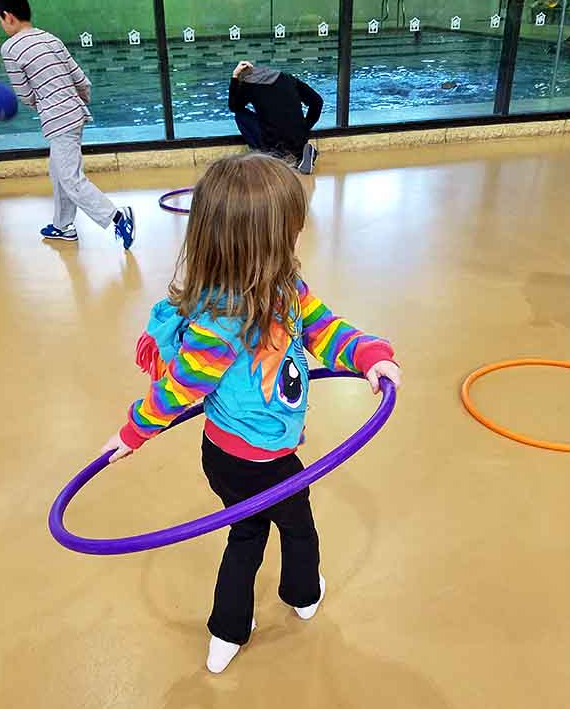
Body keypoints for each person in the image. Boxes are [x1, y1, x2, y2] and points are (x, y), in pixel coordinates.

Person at [101, 153, 401, 673]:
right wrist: (132, 432)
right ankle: (303, 592)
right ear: (262, 243)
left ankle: (227, 633)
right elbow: (176, 391)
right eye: (291, 231)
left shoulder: (285, 289)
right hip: (258, 459)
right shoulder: (221, 322)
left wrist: (368, 356)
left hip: (234, 454)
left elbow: (326, 331)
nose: (298, 240)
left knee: (247, 532)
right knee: (295, 527)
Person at [0, 0, 135, 248]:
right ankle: (62, 225)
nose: (2, 26)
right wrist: (75, 103)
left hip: (58, 119)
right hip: (75, 113)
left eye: (0, 21)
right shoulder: (50, 38)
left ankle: (117, 217)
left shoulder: (10, 48)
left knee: (70, 178)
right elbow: (81, 79)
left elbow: (24, 94)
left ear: (7, 16)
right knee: (58, 171)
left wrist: (46, 105)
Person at [228, 61, 323, 174]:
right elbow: (317, 101)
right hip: (299, 138)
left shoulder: (248, 84)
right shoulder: (287, 78)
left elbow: (234, 107)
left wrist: (234, 77)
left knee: (240, 115)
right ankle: (300, 154)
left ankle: (268, 155)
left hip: (273, 141)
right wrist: (305, 128)